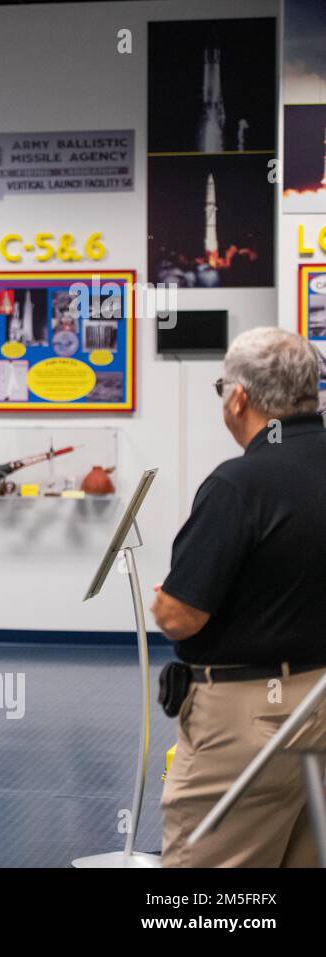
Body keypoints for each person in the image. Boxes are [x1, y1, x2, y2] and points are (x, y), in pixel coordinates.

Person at [152, 326, 326, 867]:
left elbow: (182, 616)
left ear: (239, 397)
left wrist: (164, 601)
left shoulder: (239, 484)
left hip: (249, 719)